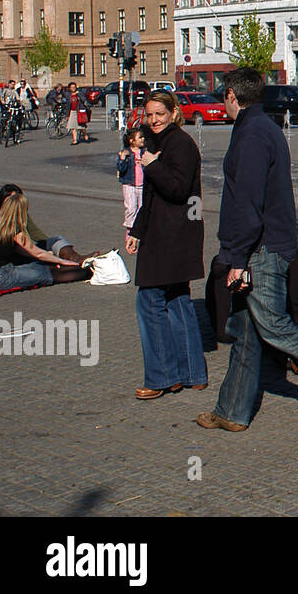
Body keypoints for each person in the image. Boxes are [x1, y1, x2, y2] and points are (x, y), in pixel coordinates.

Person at [197, 68, 298, 434]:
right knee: (248, 331)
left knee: (275, 327)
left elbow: (248, 204)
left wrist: (236, 259)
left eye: (224, 96)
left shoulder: (251, 134)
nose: (223, 102)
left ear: (233, 95)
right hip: (266, 244)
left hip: (261, 249)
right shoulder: (264, 127)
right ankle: (232, 410)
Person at [125, 91, 208, 400]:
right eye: (149, 114)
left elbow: (176, 189)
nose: (153, 120)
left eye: (159, 113)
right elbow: (152, 197)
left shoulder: (180, 144)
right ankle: (191, 374)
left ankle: (162, 377)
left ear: (174, 113)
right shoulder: (162, 143)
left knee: (150, 301)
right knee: (177, 300)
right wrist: (137, 230)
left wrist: (150, 164)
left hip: (173, 236)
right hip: (168, 233)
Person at [0, 191, 90, 296]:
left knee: (41, 266)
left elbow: (20, 249)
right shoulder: (13, 229)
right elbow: (38, 253)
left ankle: (84, 267)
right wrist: (61, 261)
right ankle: (89, 271)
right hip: (2, 275)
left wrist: (49, 258)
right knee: (44, 273)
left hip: (3, 270)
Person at [0, 184, 91, 263]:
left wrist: (49, 246)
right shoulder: (0, 218)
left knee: (56, 240)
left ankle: (75, 258)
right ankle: (66, 262)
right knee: (41, 263)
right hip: (12, 254)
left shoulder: (21, 214)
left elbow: (36, 233)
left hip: (24, 248)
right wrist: (40, 252)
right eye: (11, 198)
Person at [117, 126, 146, 234]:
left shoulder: (144, 152)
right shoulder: (126, 153)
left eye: (143, 137)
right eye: (140, 138)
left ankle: (140, 230)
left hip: (142, 185)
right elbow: (121, 169)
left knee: (142, 208)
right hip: (129, 185)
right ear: (132, 141)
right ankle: (130, 231)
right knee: (131, 208)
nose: (142, 139)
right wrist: (122, 158)